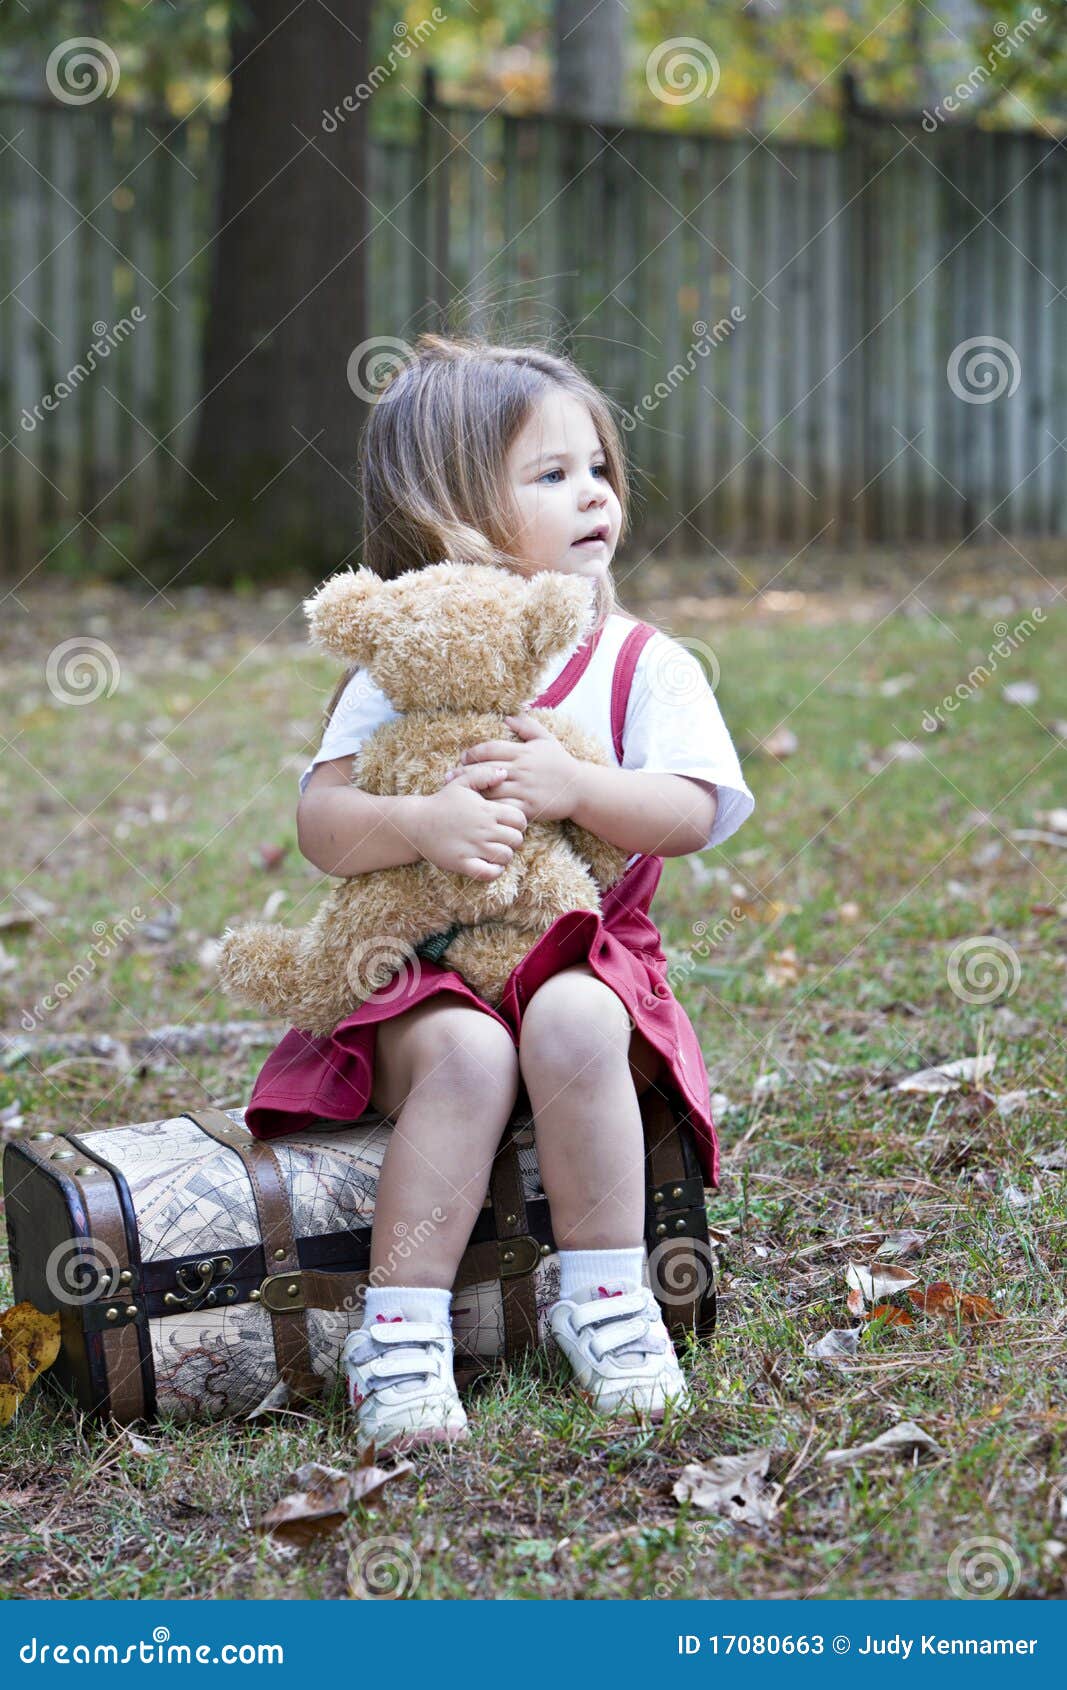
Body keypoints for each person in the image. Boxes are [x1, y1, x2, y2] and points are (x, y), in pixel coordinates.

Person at [245, 333, 755, 1454]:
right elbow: (323, 826)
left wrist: (579, 785)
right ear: (450, 512)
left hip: (582, 950)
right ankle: (402, 1326)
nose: (594, 496)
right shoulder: (399, 667)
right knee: (469, 1056)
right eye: (550, 475)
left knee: (572, 1016)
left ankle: (608, 1298)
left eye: (598, 469)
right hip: (423, 965)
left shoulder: (638, 661)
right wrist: (418, 824)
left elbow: (695, 810)